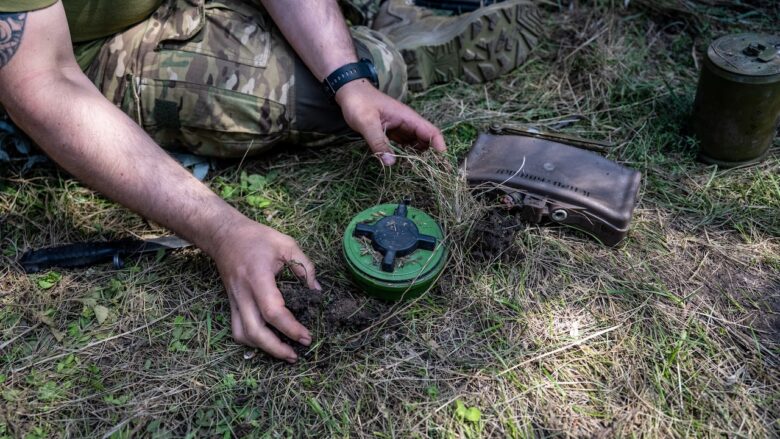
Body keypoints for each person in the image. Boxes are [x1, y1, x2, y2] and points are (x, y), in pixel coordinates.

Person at [0, 0, 540, 362]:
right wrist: (223, 230)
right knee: (333, 83)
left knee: (359, 76)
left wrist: (349, 80)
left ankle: (374, 37)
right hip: (68, 50)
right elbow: (45, 79)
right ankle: (389, 40)